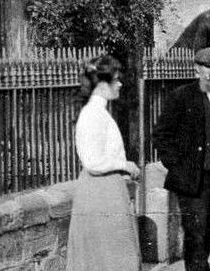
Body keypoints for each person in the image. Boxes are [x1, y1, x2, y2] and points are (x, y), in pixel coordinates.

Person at [153, 47, 210, 271]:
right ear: (196, 70)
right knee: (195, 232)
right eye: (207, 68)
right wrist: (178, 165)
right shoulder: (181, 96)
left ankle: (200, 265)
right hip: (192, 179)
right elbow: (161, 135)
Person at [66, 55, 141, 271]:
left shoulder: (100, 112)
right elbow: (92, 161)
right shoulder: (92, 114)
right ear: (101, 84)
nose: (120, 84)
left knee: (115, 256)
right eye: (115, 79)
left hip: (108, 191)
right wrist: (124, 165)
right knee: (106, 258)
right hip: (99, 194)